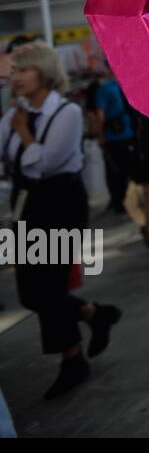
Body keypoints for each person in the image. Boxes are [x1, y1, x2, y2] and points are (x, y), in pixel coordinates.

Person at [0, 43, 121, 399]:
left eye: (23, 69)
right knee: (30, 291)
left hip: (60, 203)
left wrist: (23, 133)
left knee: (48, 286)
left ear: (43, 71)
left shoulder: (66, 112)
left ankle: (73, 360)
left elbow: (47, 163)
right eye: (14, 70)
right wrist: (17, 130)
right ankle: (94, 314)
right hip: (25, 204)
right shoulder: (15, 114)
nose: (16, 77)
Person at [86, 65, 138, 215]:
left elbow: (99, 115)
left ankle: (120, 203)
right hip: (129, 133)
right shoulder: (123, 84)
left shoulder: (103, 89)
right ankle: (128, 202)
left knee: (116, 171)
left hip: (114, 136)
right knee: (129, 170)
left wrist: (99, 134)